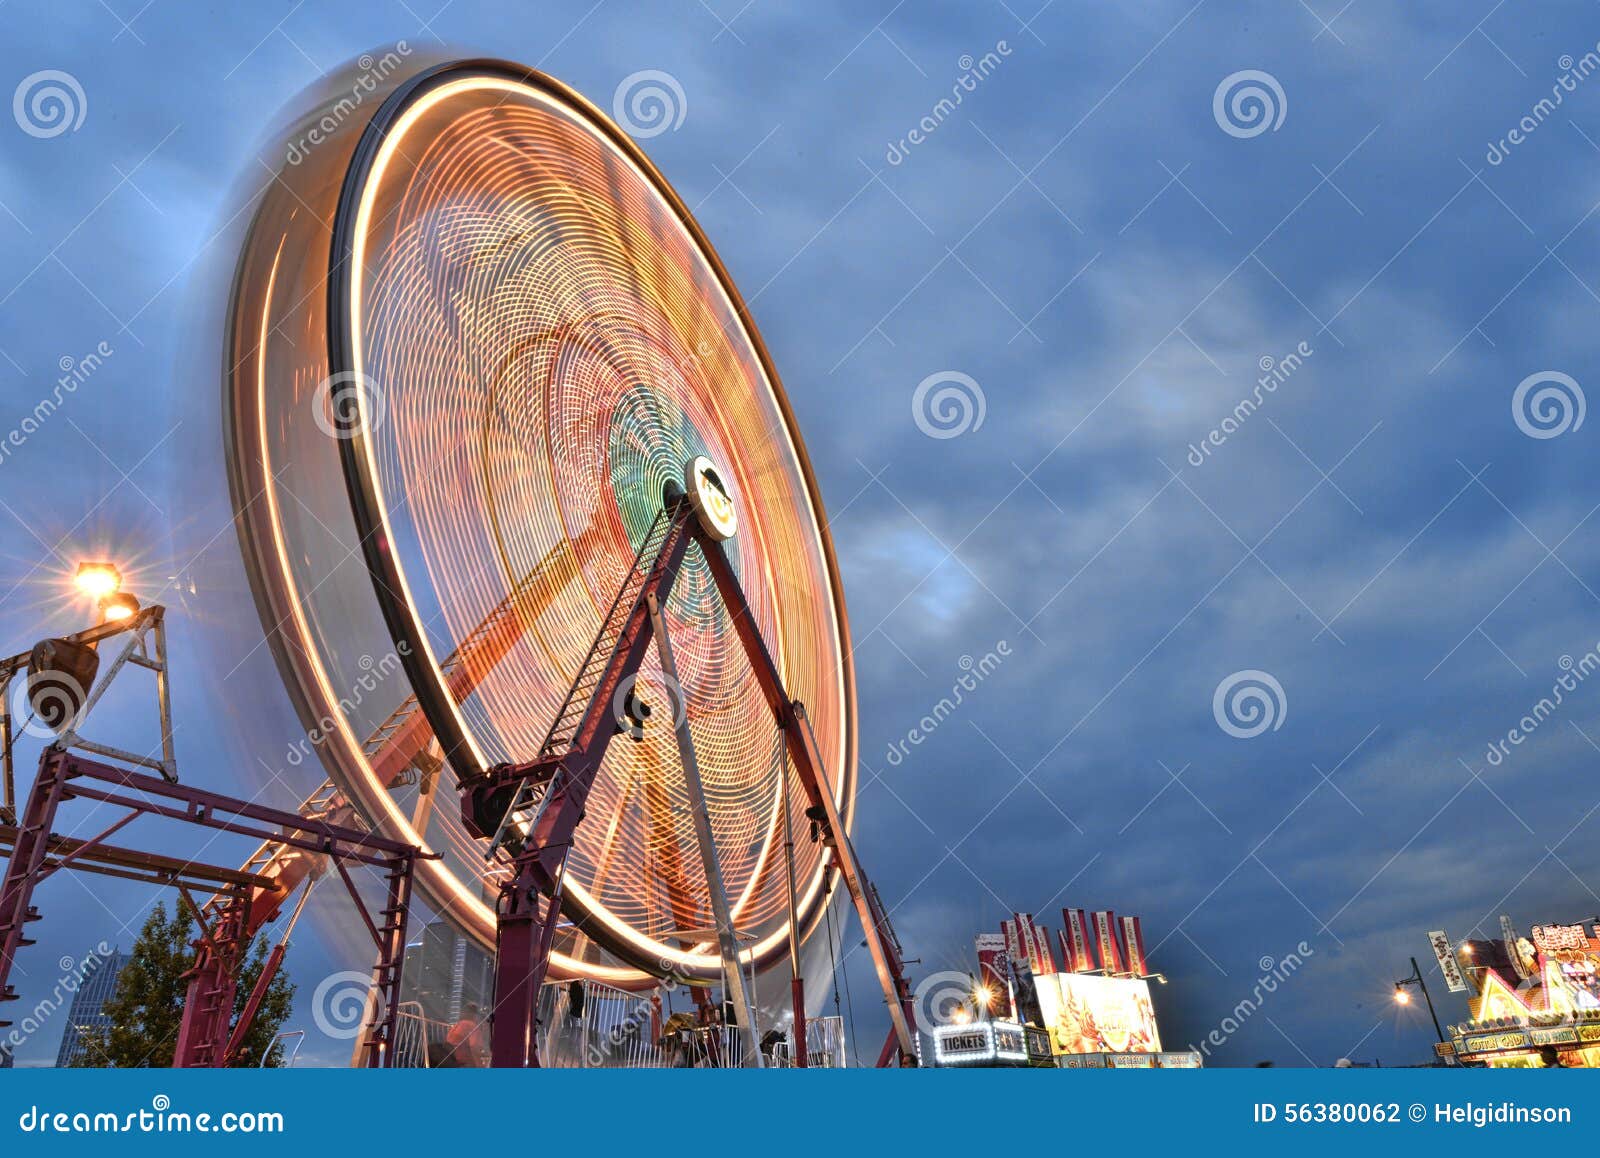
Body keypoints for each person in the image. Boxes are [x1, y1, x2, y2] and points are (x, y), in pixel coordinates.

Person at [442, 1002, 489, 1068]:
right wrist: (480, 1066)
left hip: (450, 1061)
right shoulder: (472, 1026)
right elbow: (474, 1047)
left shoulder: (457, 1025)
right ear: (474, 1015)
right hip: (464, 1063)